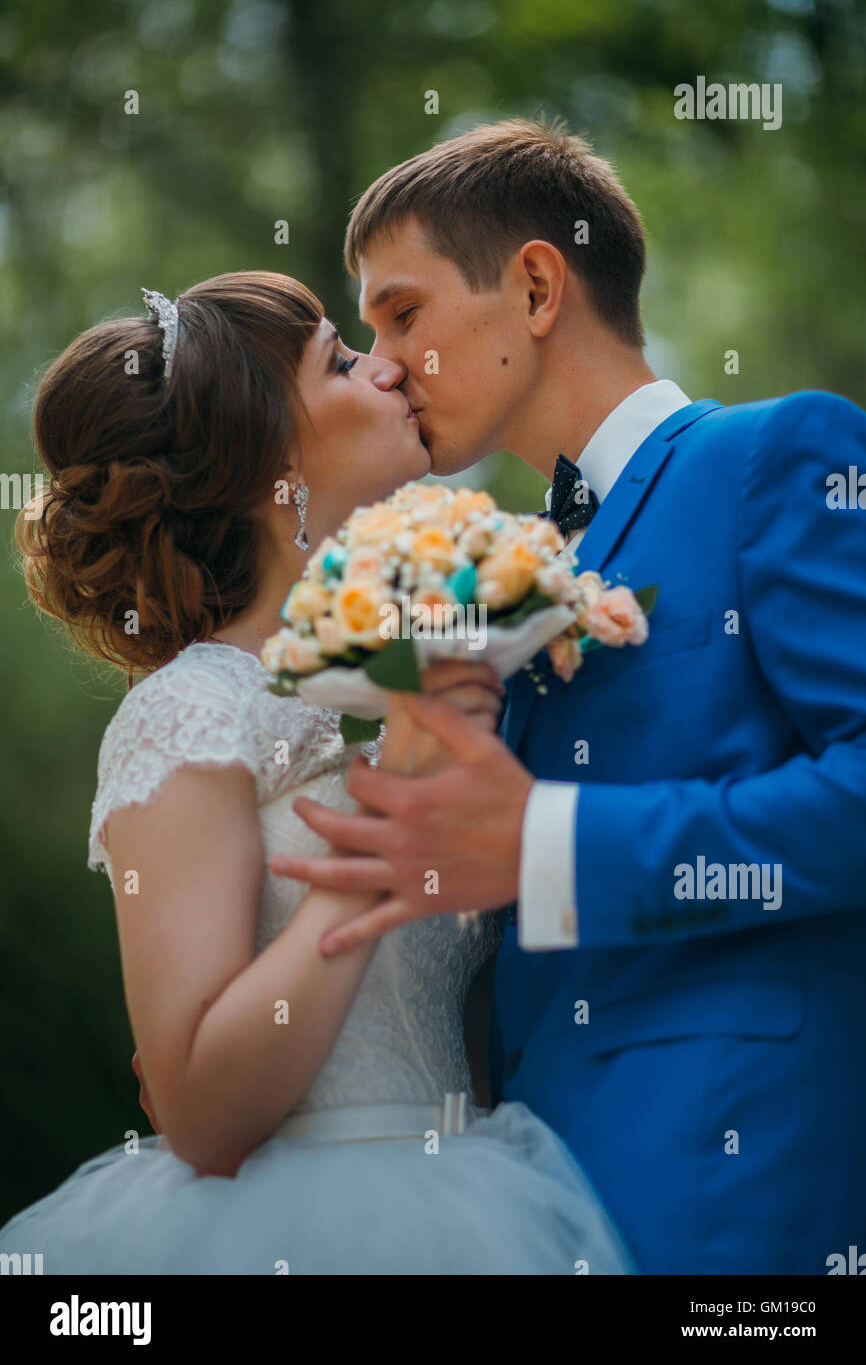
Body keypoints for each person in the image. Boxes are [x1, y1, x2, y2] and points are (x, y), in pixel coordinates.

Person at [271, 118, 866, 1275]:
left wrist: (554, 840)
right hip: (529, 1204)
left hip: (736, 1193)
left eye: (402, 312)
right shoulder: (500, 575)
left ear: (536, 285)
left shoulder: (773, 455)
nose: (382, 361)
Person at [0, 269, 634, 1275]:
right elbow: (203, 1114)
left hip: (484, 1193)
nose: (388, 367)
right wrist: (390, 830)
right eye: (340, 360)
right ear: (269, 465)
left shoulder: (395, 685)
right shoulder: (187, 711)